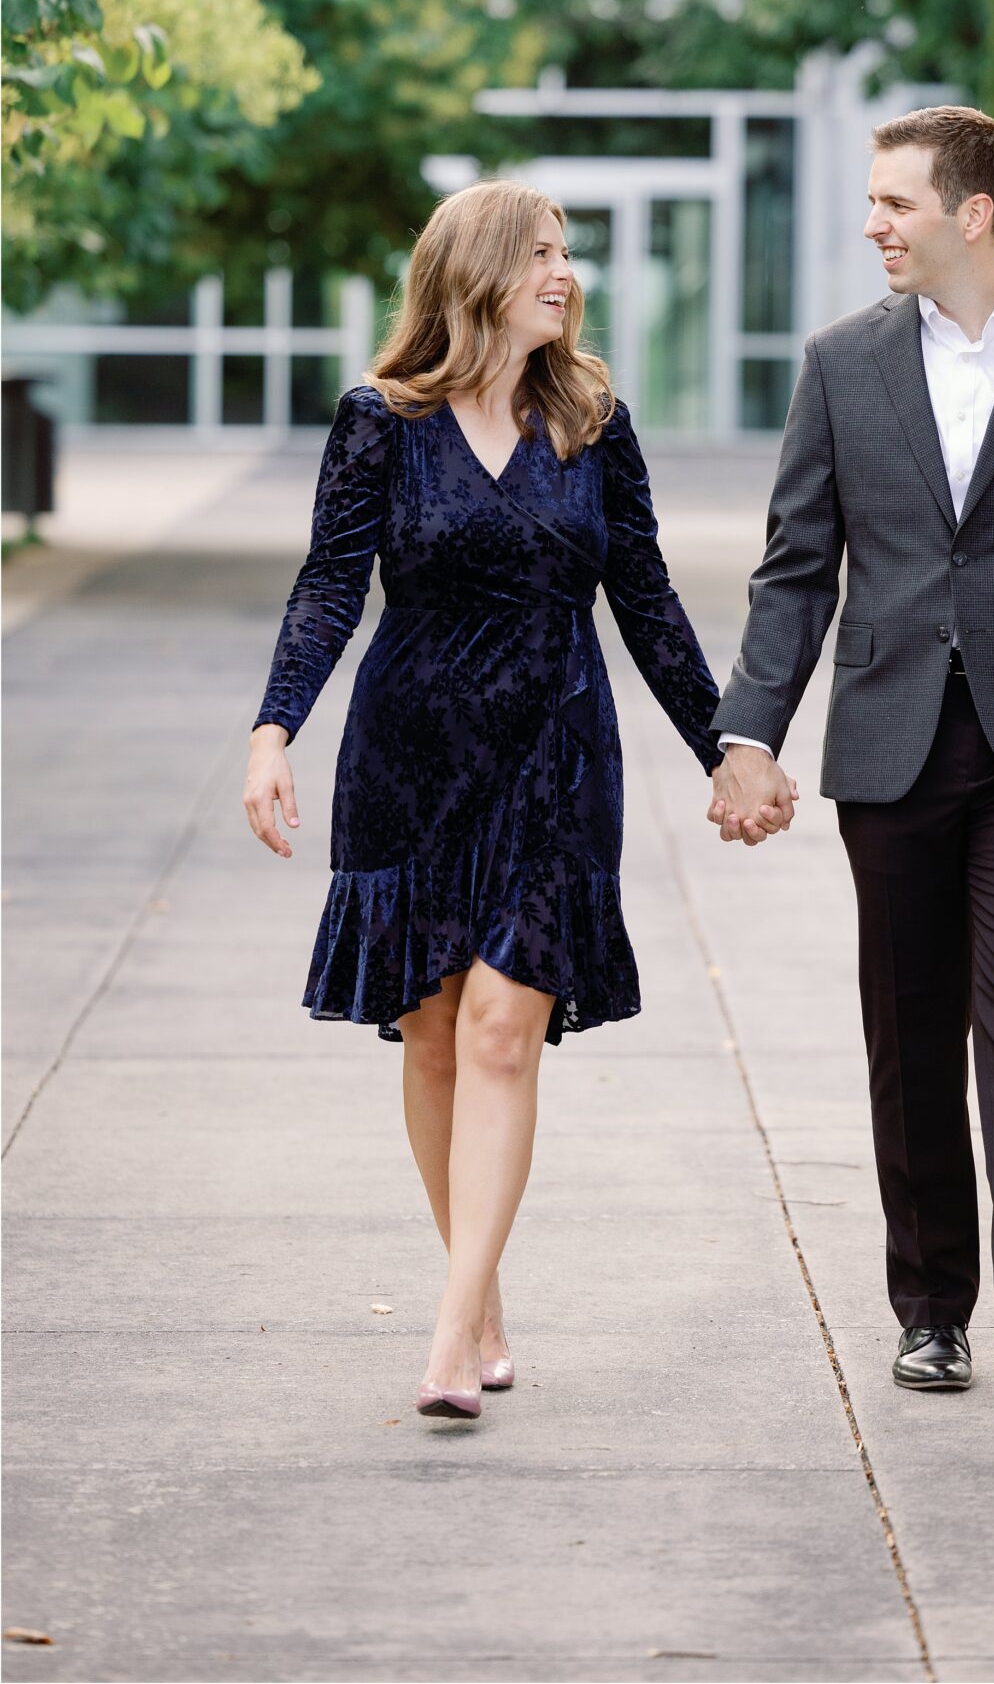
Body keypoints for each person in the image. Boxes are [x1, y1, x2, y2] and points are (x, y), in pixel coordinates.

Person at [244, 179, 782, 1423]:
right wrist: (274, 731)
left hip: (554, 755)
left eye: (566, 251)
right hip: (409, 754)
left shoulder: (593, 421)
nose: (564, 271)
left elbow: (645, 599)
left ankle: (448, 1325)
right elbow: (329, 585)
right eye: (540, 251)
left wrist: (726, 747)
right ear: (476, 270)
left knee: (500, 1030)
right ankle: (477, 1293)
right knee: (430, 1033)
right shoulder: (380, 419)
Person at [705, 105, 994, 1419]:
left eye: (894, 205)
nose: (873, 227)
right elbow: (795, 569)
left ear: (971, 214)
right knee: (909, 1031)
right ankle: (930, 1311)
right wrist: (749, 734)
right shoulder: (841, 365)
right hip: (893, 743)